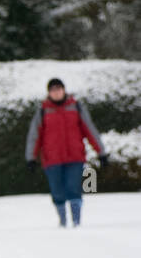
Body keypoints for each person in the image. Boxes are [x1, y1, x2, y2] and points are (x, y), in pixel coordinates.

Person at [25, 77, 107, 227]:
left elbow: (90, 129)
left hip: (75, 157)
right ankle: (63, 221)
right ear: (49, 93)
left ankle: (76, 222)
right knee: (57, 191)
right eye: (53, 90)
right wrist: (31, 157)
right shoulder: (43, 111)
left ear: (64, 90)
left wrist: (101, 152)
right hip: (52, 159)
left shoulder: (76, 107)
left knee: (73, 188)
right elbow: (34, 135)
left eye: (59, 89)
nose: (56, 93)